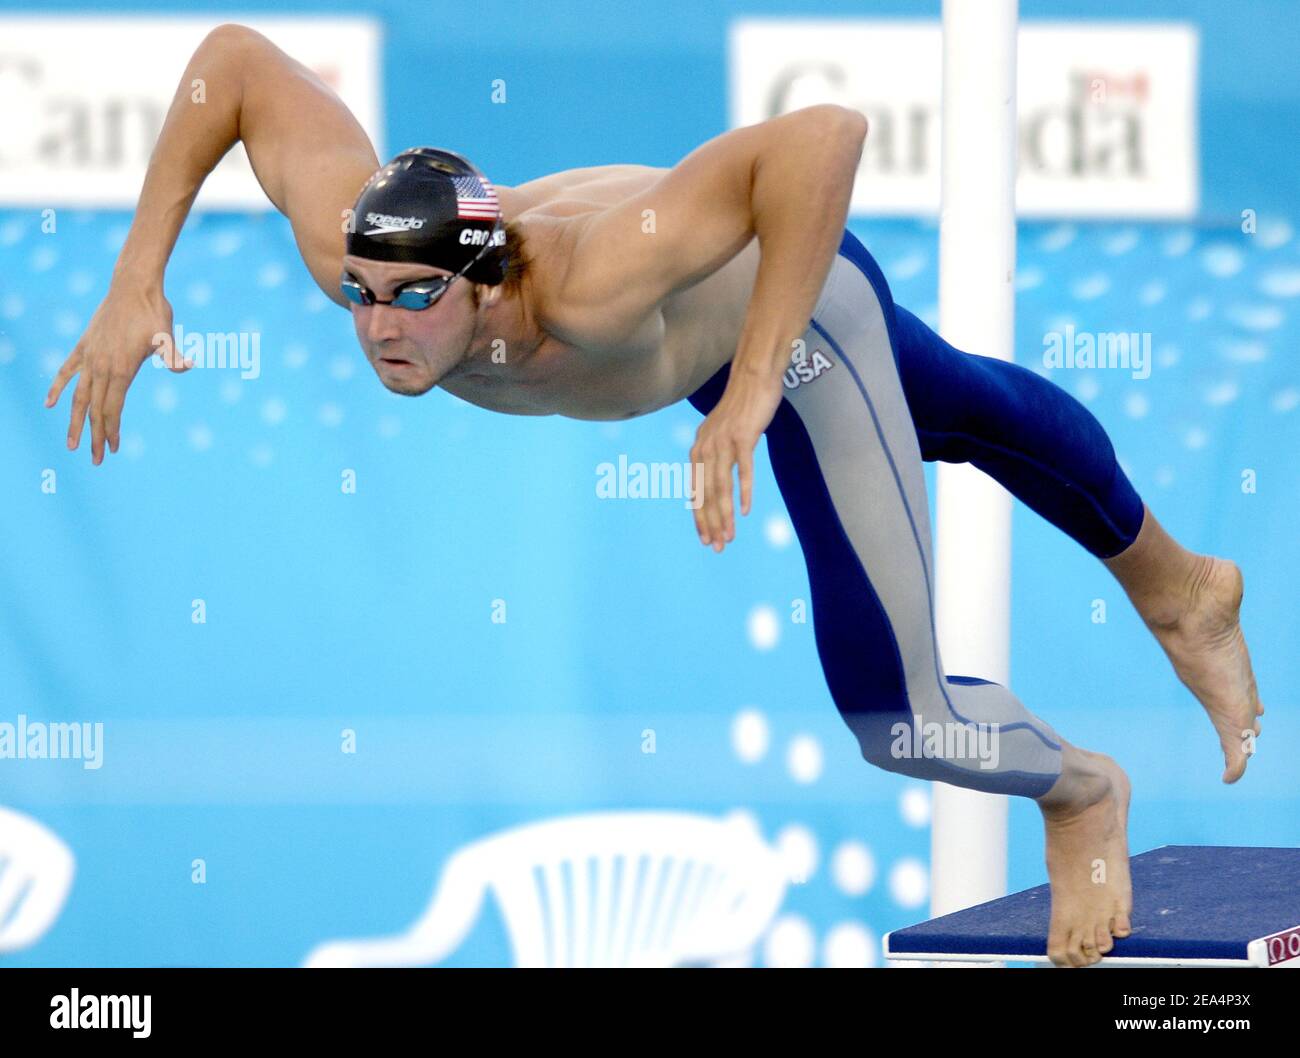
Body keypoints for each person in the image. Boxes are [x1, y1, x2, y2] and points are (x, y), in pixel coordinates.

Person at [46, 24, 1263, 967]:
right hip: (711, 329)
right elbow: (236, 65)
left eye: (414, 300)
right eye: (359, 295)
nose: (377, 328)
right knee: (957, 406)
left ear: (486, 276)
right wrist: (134, 275)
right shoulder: (362, 246)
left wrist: (745, 396)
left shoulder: (584, 277)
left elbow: (823, 136)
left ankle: (1085, 787)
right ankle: (1184, 589)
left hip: (796, 322)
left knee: (903, 718)